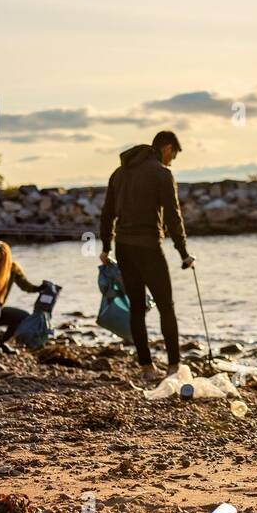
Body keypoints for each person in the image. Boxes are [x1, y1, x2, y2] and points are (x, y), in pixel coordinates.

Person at [99, 129, 195, 382]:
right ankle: (174, 366)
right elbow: (173, 217)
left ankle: (147, 367)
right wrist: (184, 253)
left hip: (123, 247)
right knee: (166, 306)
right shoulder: (162, 174)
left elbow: (107, 212)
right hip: (149, 247)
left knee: (137, 308)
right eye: (172, 155)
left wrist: (106, 246)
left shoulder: (119, 174)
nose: (171, 161)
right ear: (167, 149)